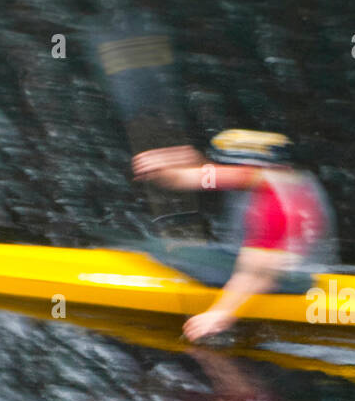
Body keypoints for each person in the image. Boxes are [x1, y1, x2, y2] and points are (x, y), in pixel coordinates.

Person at [131, 129, 333, 341]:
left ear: (248, 166)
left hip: (285, 278)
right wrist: (162, 170)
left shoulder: (276, 207)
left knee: (163, 251)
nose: (216, 169)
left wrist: (219, 315)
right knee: (167, 248)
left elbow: (259, 274)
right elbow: (197, 178)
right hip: (275, 264)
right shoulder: (267, 175)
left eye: (224, 165)